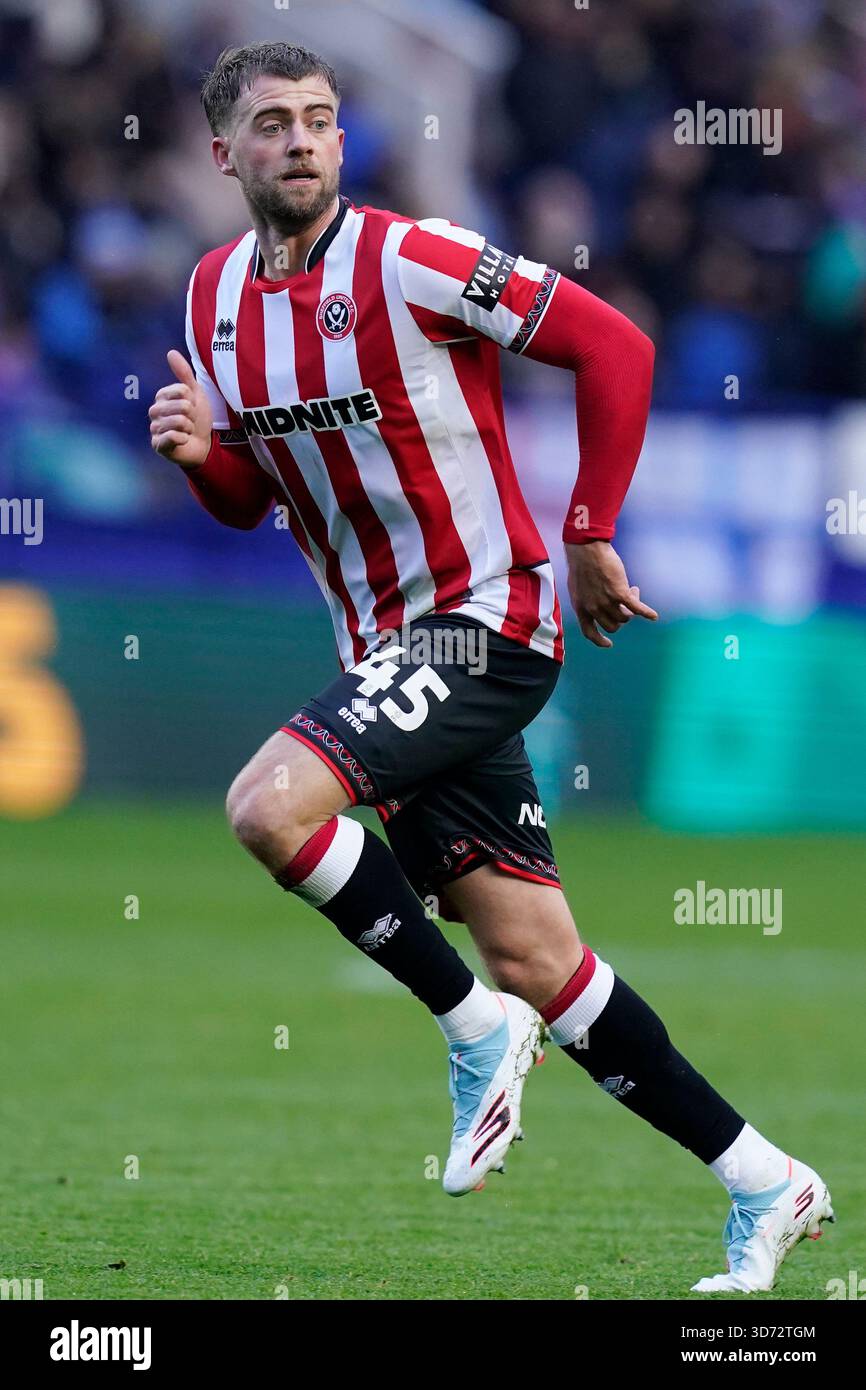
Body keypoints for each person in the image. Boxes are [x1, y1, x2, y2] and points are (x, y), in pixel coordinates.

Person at [148, 41, 832, 1293]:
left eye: (317, 120)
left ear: (343, 141)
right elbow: (256, 500)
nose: (298, 141)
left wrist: (586, 532)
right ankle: (765, 1181)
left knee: (266, 805)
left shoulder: (412, 258)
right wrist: (202, 457)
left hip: (482, 620)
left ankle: (471, 1034)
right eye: (270, 125)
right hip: (380, 648)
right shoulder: (209, 301)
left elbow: (611, 346)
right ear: (223, 154)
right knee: (536, 954)